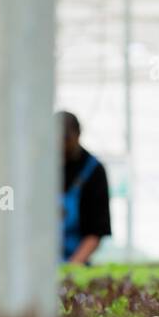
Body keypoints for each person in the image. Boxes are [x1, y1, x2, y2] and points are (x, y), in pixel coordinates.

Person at [58, 111, 111, 265]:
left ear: (78, 135)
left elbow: (96, 230)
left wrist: (72, 268)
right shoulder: (36, 166)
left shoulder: (93, 171)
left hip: (76, 260)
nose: (61, 147)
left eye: (66, 140)